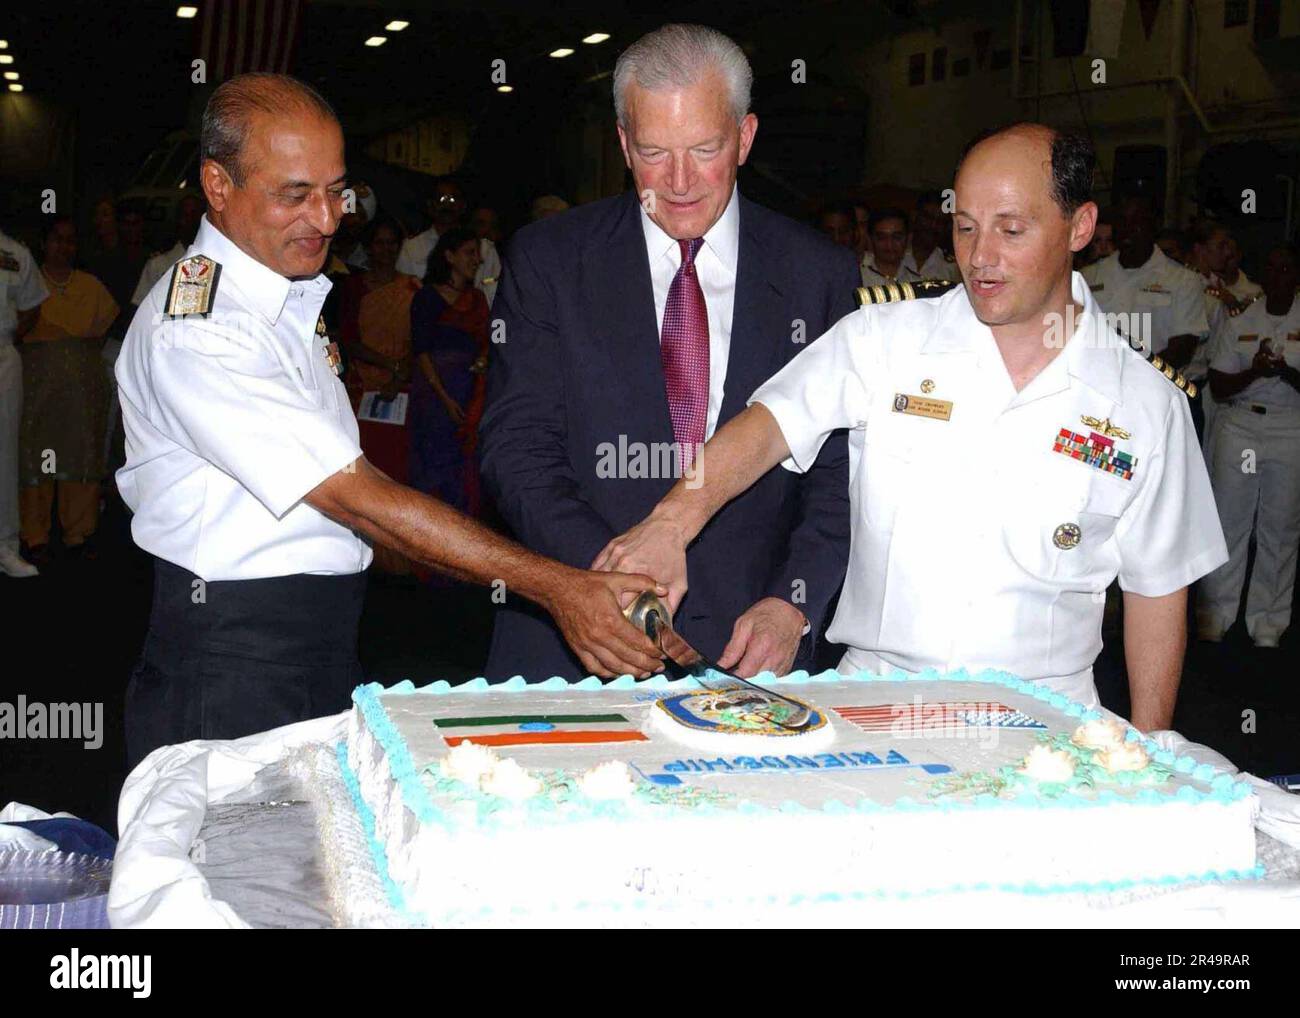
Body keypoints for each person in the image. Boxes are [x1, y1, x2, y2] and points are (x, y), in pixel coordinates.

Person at [596, 124, 1228, 731]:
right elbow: (766, 427)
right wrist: (668, 525)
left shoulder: (1145, 401)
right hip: (877, 704)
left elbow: (1157, 589)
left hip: (1046, 723)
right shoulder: (886, 339)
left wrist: (1152, 750)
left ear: (1080, 227)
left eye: (1011, 231)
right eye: (965, 228)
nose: (981, 258)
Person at [114, 73, 663, 768]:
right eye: (295, 195)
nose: (327, 217)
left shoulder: (283, 296)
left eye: (335, 189)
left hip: (314, 637)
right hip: (233, 657)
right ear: (217, 186)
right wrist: (558, 585)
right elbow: (360, 498)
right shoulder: (200, 328)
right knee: (235, 871)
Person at [479, 23, 856, 682]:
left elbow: (838, 471)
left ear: (745, 137)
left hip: (753, 649)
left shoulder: (815, 274)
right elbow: (517, 448)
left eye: (705, 148)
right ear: (623, 143)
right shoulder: (549, 261)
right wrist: (615, 574)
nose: (679, 182)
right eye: (653, 151)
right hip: (580, 636)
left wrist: (793, 603)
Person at [1198, 243, 1300, 647]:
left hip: (1290, 427)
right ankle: (1216, 612)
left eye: (1287, 268)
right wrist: (1255, 373)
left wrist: (1285, 372)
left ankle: (1268, 622)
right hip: (1242, 425)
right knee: (1230, 520)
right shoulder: (1242, 318)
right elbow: (1220, 386)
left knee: (1280, 526)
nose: (1279, 277)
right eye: (1271, 269)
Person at [18, 216, 119, 562]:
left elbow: (103, 332)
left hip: (82, 389)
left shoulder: (90, 286)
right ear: (44, 244)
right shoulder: (28, 282)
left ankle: (80, 530)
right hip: (37, 387)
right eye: (58, 240)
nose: (65, 246)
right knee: (37, 455)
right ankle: (35, 534)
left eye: (71, 240)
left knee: (81, 453)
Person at [336, 213, 422, 575]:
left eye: (392, 244)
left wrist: (400, 370)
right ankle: (359, 554)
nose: (385, 250)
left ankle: (399, 556)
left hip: (399, 392)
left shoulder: (413, 288)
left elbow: (421, 339)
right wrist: (388, 365)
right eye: (379, 243)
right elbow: (347, 340)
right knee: (362, 469)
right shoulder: (354, 288)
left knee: (396, 468)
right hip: (362, 390)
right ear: (368, 248)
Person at [410, 226, 489, 518]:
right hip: (434, 397)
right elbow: (421, 352)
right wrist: (444, 398)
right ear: (449, 256)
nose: (478, 260)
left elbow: (491, 342)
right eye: (470, 253)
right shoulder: (427, 297)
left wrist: (483, 361)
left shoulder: (478, 300)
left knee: (464, 470)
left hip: (470, 395)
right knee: (433, 468)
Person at [1082, 194, 1208, 370]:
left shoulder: (1183, 280)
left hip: (1157, 387)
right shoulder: (1089, 277)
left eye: (1136, 222)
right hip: (1098, 384)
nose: (1127, 230)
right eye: (1122, 222)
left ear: (1153, 226)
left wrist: (1128, 374)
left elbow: (1181, 350)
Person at [0, 225, 48, 578]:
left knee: (5, 452)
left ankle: (5, 545)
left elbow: (32, 305)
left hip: (2, 354)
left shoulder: (15, 253)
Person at [396, 177, 502, 306]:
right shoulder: (411, 248)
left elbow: (495, 294)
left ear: (463, 206)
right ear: (430, 205)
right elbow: (402, 294)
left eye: (453, 199)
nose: (447, 204)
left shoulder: (485, 249)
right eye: (441, 198)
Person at [129, 193, 205, 308]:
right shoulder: (158, 265)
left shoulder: (218, 262)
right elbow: (138, 306)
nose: (190, 221)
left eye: (194, 215)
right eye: (185, 215)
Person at [902, 190, 961, 282]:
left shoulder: (951, 267)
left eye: (940, 221)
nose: (933, 226)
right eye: (928, 218)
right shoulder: (892, 251)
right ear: (914, 216)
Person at [860, 207, 919, 287]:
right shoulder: (859, 278)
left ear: (908, 240)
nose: (889, 244)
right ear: (870, 240)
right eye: (882, 238)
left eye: (897, 237)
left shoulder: (916, 283)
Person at [1221, 236, 1262, 304]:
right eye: (1221, 255)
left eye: (1229, 257)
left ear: (1239, 256)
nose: (1224, 261)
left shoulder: (1254, 290)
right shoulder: (1207, 283)